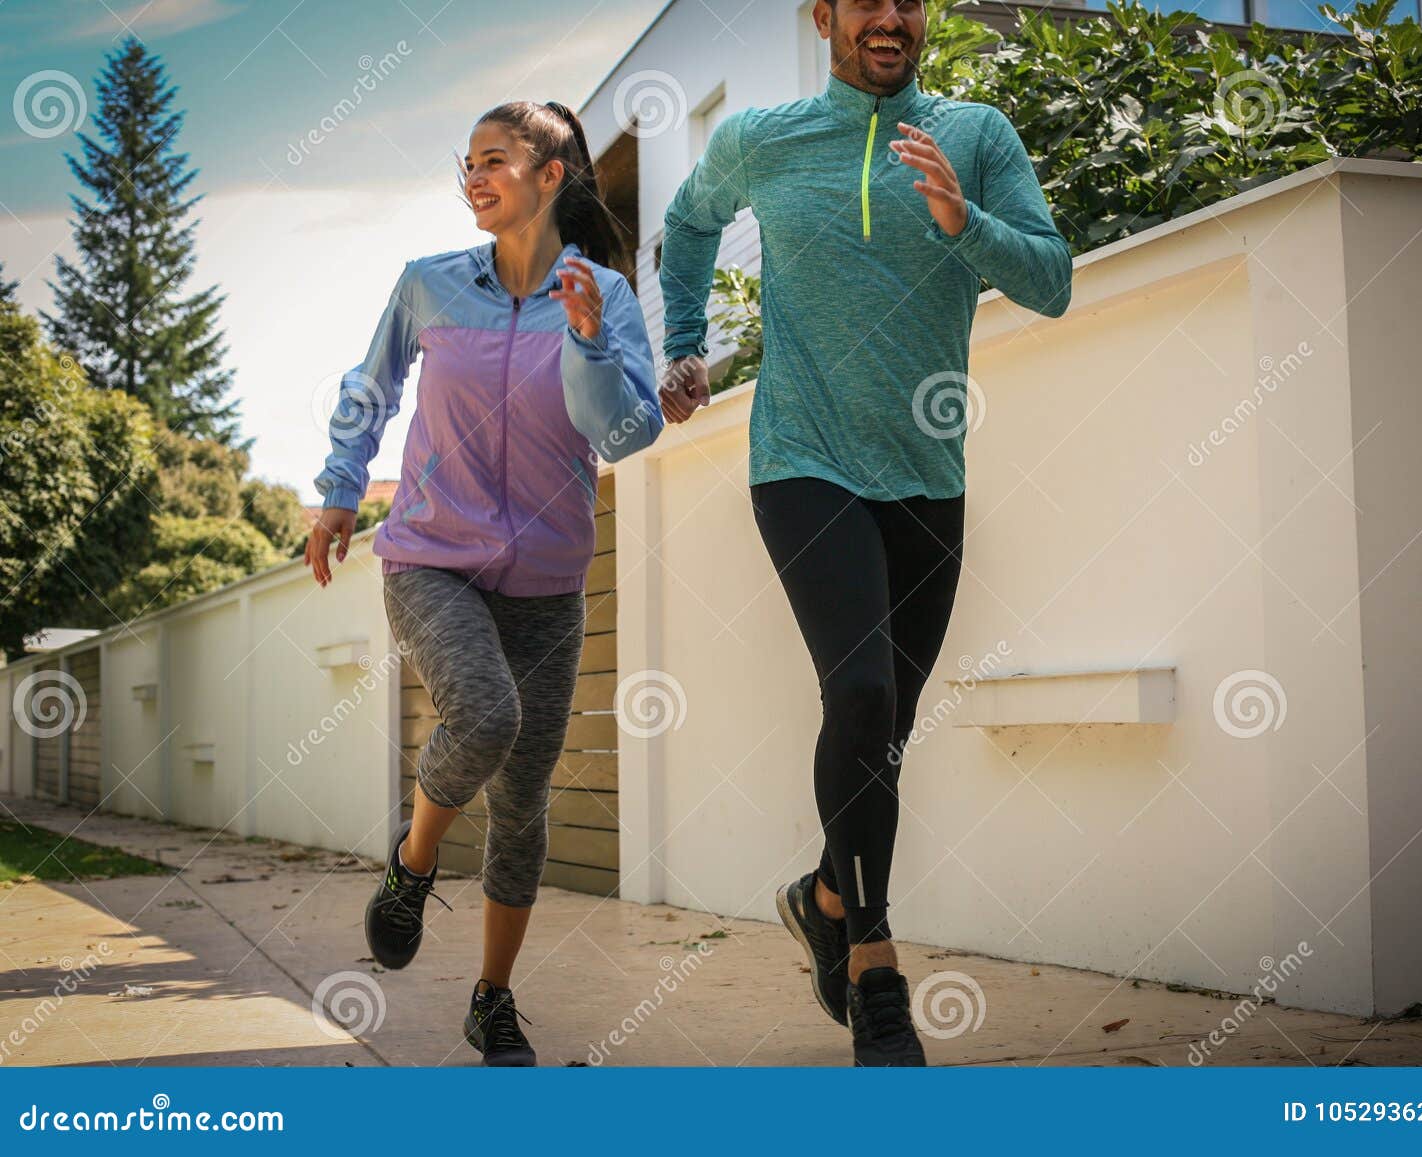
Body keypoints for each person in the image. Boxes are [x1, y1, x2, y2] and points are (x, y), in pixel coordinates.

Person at [656, 0, 1072, 1066]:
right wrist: (690, 343)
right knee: (862, 691)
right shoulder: (763, 136)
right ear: (823, 15)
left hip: (927, 473)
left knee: (885, 726)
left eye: (909, 0)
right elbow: (690, 220)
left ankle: (826, 893)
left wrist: (964, 225)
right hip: (802, 457)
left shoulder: (976, 136)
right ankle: (875, 966)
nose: (890, 17)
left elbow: (1053, 280)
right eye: (866, 1)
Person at [305, 100, 661, 1067]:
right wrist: (341, 490)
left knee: (525, 800)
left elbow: (625, 434)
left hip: (547, 579)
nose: (474, 175)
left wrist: (588, 338)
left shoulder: (605, 298)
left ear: (551, 176)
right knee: (487, 717)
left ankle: (492, 999)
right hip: (429, 555)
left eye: (495, 160)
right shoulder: (430, 285)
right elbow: (367, 385)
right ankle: (414, 862)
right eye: (466, 162)